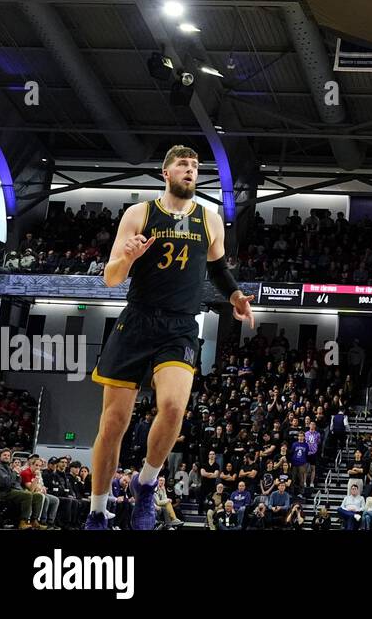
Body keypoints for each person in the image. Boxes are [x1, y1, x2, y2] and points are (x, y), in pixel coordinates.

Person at [83, 146, 254, 530]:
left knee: (175, 407)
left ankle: (146, 485)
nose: (191, 170)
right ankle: (97, 511)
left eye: (195, 166)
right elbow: (111, 278)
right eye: (183, 165)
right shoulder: (140, 213)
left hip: (179, 326)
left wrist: (235, 296)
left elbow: (218, 270)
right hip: (138, 320)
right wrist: (127, 256)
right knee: (113, 424)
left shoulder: (210, 219)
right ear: (166, 173)